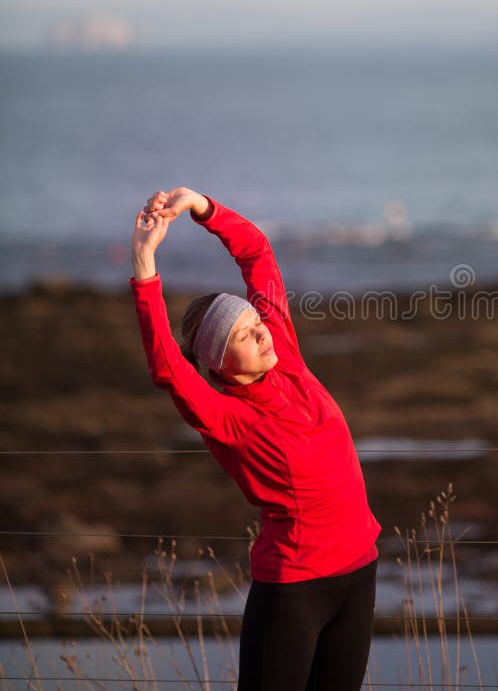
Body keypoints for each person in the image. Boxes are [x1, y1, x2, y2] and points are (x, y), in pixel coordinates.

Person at [129, 187, 381, 691]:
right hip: (295, 590)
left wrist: (202, 207)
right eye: (244, 335)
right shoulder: (227, 416)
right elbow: (168, 368)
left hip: (360, 573)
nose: (262, 332)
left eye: (256, 321)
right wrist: (143, 261)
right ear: (220, 362)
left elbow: (257, 254)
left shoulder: (284, 355)